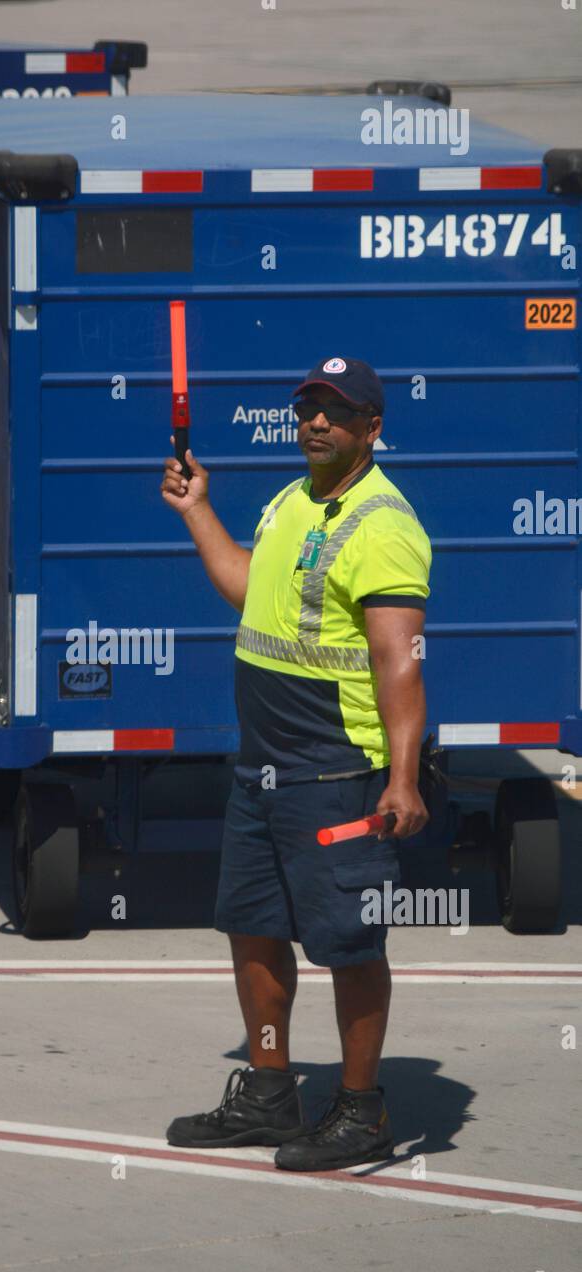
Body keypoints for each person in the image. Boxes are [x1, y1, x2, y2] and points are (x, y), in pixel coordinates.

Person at [160, 356, 431, 1171]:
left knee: (349, 940)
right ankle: (272, 1093)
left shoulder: (384, 525)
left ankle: (360, 1111)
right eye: (309, 406)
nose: (316, 421)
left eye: (336, 412)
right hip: (264, 762)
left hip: (334, 765)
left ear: (371, 428)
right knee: (254, 928)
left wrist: (404, 776)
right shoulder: (292, 501)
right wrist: (198, 512)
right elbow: (253, 593)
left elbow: (400, 662)